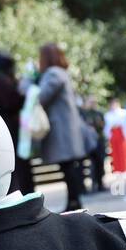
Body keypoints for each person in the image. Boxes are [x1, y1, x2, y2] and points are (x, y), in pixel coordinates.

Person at [34, 43, 88, 212]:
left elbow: (40, 97)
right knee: (69, 167)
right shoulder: (61, 73)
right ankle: (74, 201)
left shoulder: (53, 74)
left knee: (68, 167)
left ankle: (74, 202)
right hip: (67, 128)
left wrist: (28, 80)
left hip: (61, 129)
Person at [0, 52, 32, 194]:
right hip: (11, 129)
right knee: (19, 166)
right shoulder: (1, 81)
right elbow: (12, 102)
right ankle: (24, 192)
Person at [79, 95, 107, 194]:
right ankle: (92, 184)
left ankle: (100, 183)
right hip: (89, 142)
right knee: (91, 164)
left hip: (99, 141)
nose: (92, 104)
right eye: (91, 102)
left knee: (100, 163)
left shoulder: (99, 113)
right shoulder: (84, 114)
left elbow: (103, 125)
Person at [103, 98, 126, 179]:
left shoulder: (124, 113)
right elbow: (107, 127)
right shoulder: (108, 115)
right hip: (113, 134)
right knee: (115, 153)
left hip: (122, 133)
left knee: (124, 152)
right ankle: (117, 170)